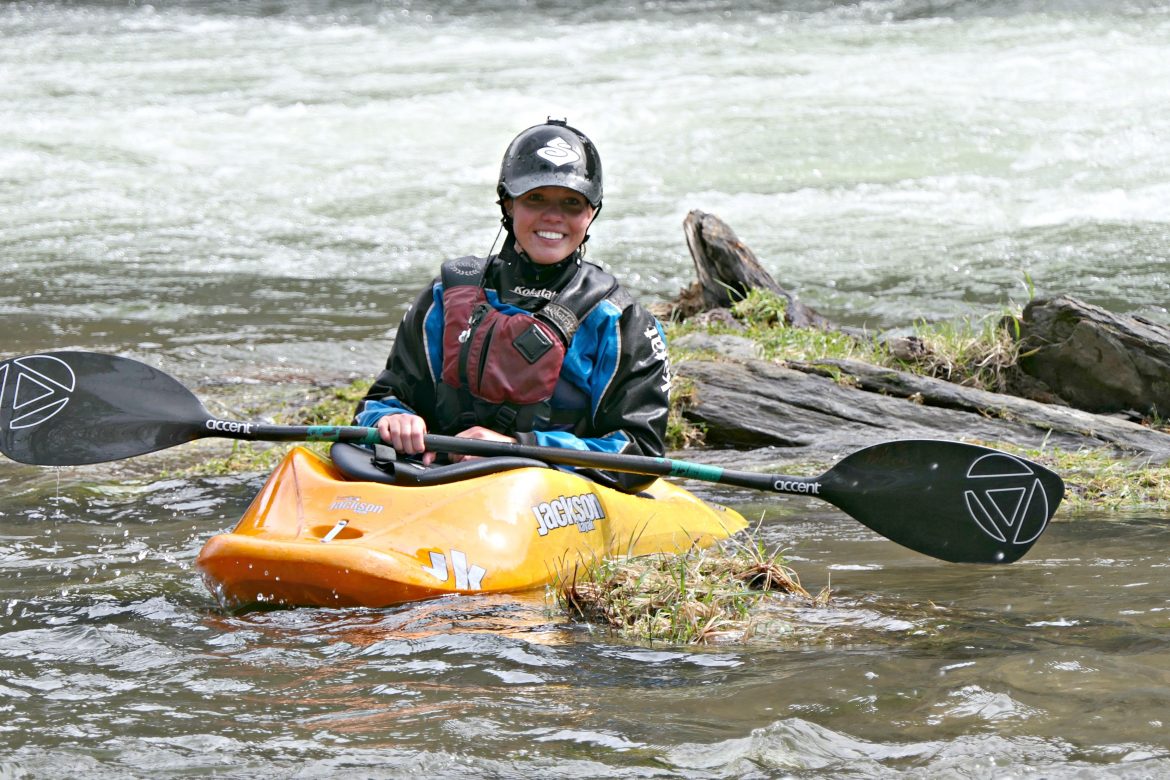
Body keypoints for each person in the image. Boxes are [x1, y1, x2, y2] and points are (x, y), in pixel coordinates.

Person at [354, 119, 672, 493]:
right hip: (437, 477)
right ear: (508, 203)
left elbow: (640, 451)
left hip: (546, 493)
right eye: (535, 198)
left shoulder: (619, 320)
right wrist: (393, 419)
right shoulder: (446, 295)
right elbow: (382, 401)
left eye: (571, 203)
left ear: (592, 213)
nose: (553, 217)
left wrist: (518, 449)